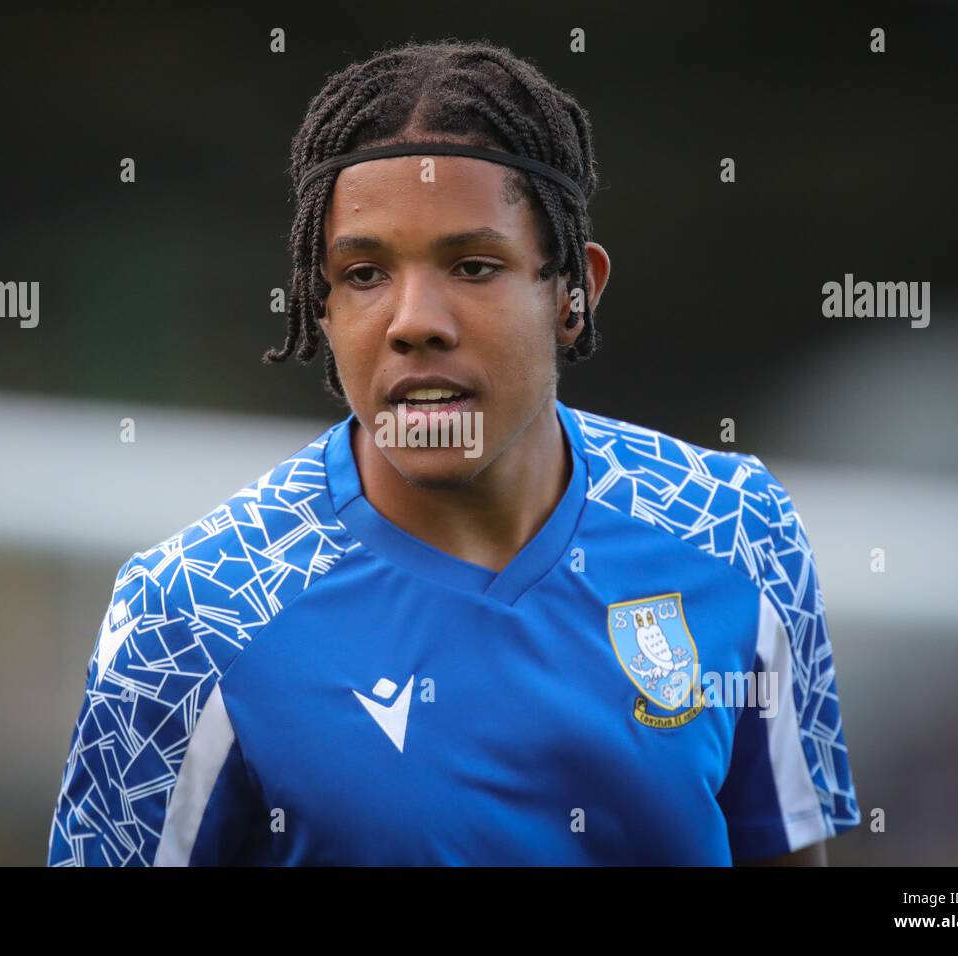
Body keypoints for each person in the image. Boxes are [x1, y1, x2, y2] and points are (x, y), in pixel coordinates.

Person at [47, 38, 859, 866]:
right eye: (363, 274)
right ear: (319, 308)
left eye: (473, 266)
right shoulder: (193, 614)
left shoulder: (734, 529)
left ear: (574, 292)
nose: (413, 320)